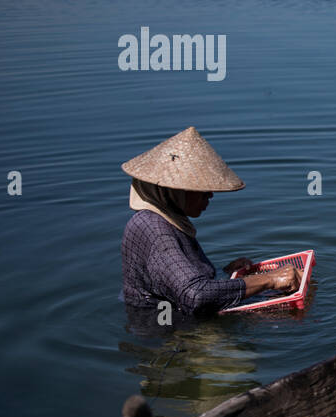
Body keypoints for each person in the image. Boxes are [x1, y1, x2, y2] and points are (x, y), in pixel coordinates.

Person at [120, 126, 299, 316]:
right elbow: (195, 295)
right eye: (203, 191)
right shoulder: (157, 231)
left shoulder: (165, 220)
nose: (211, 196)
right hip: (168, 333)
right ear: (176, 191)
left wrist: (226, 274)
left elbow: (174, 278)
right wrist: (269, 280)